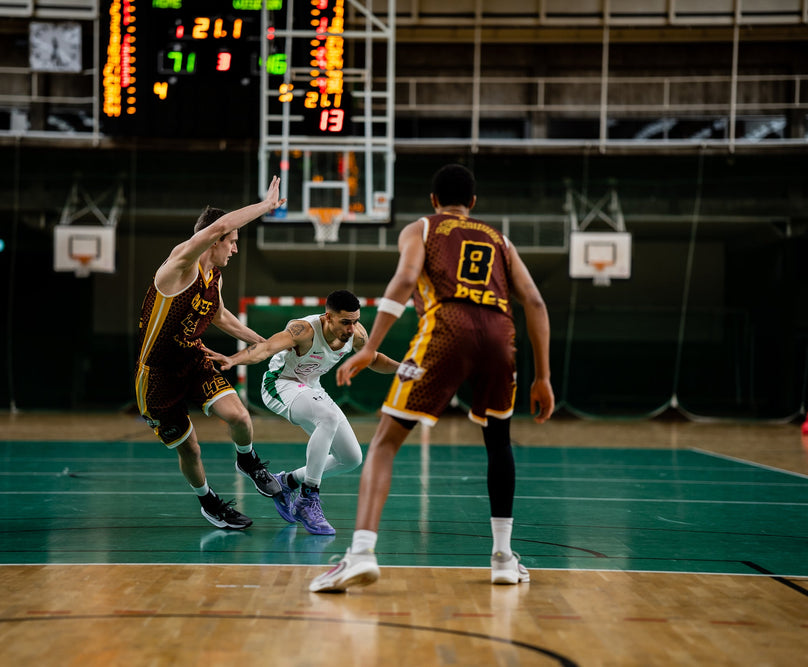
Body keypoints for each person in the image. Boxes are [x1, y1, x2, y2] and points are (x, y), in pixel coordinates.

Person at [308, 163, 555, 592]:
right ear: (473, 203)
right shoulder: (501, 241)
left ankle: (361, 553)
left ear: (433, 200)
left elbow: (405, 279)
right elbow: (534, 302)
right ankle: (502, 557)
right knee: (499, 441)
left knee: (384, 443)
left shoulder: (422, 228)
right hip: (500, 335)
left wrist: (370, 347)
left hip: (446, 331)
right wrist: (544, 377)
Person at [135, 176, 286, 531]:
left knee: (240, 417)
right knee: (191, 449)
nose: (234, 248)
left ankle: (247, 461)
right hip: (157, 376)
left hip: (193, 360)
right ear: (215, 239)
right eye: (232, 242)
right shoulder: (179, 266)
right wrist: (266, 207)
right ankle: (209, 503)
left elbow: (219, 316)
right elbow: (220, 224)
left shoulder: (214, 276)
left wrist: (263, 342)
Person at [204, 289, 399, 536]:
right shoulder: (304, 330)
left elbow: (372, 359)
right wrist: (233, 359)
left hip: (311, 386)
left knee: (351, 457)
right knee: (327, 418)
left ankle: (287, 482)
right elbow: (265, 349)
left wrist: (402, 369)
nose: (351, 328)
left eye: (355, 321)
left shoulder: (356, 334)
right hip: (280, 384)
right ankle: (308, 500)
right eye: (345, 322)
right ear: (328, 317)